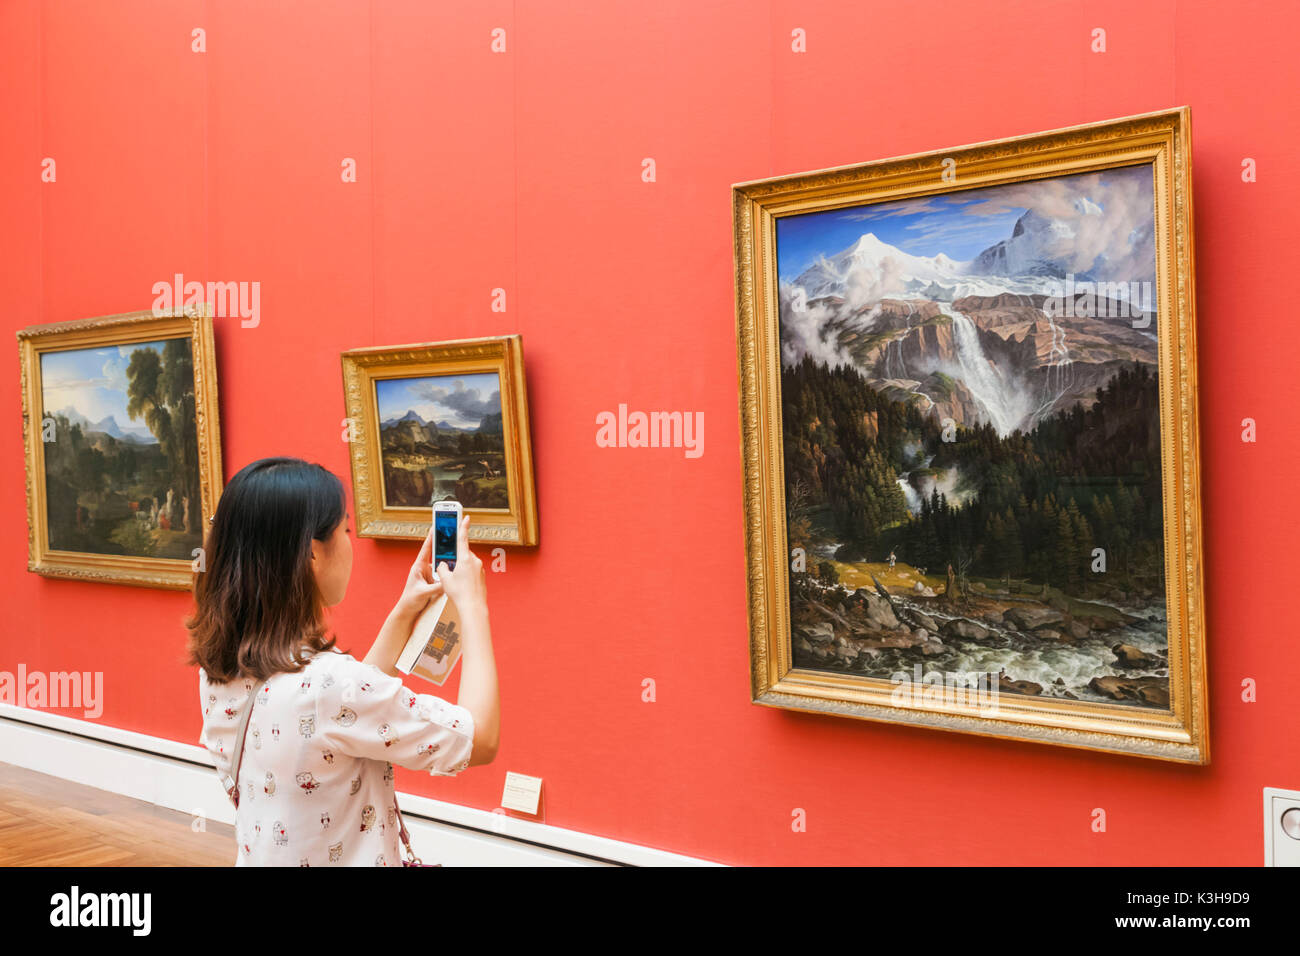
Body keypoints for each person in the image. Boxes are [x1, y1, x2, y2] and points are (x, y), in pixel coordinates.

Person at [186, 457, 499, 866]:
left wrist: (405, 610)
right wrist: (473, 606)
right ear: (313, 553)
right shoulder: (332, 687)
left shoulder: (219, 669)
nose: (350, 541)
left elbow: (339, 721)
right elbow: (480, 739)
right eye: (345, 530)